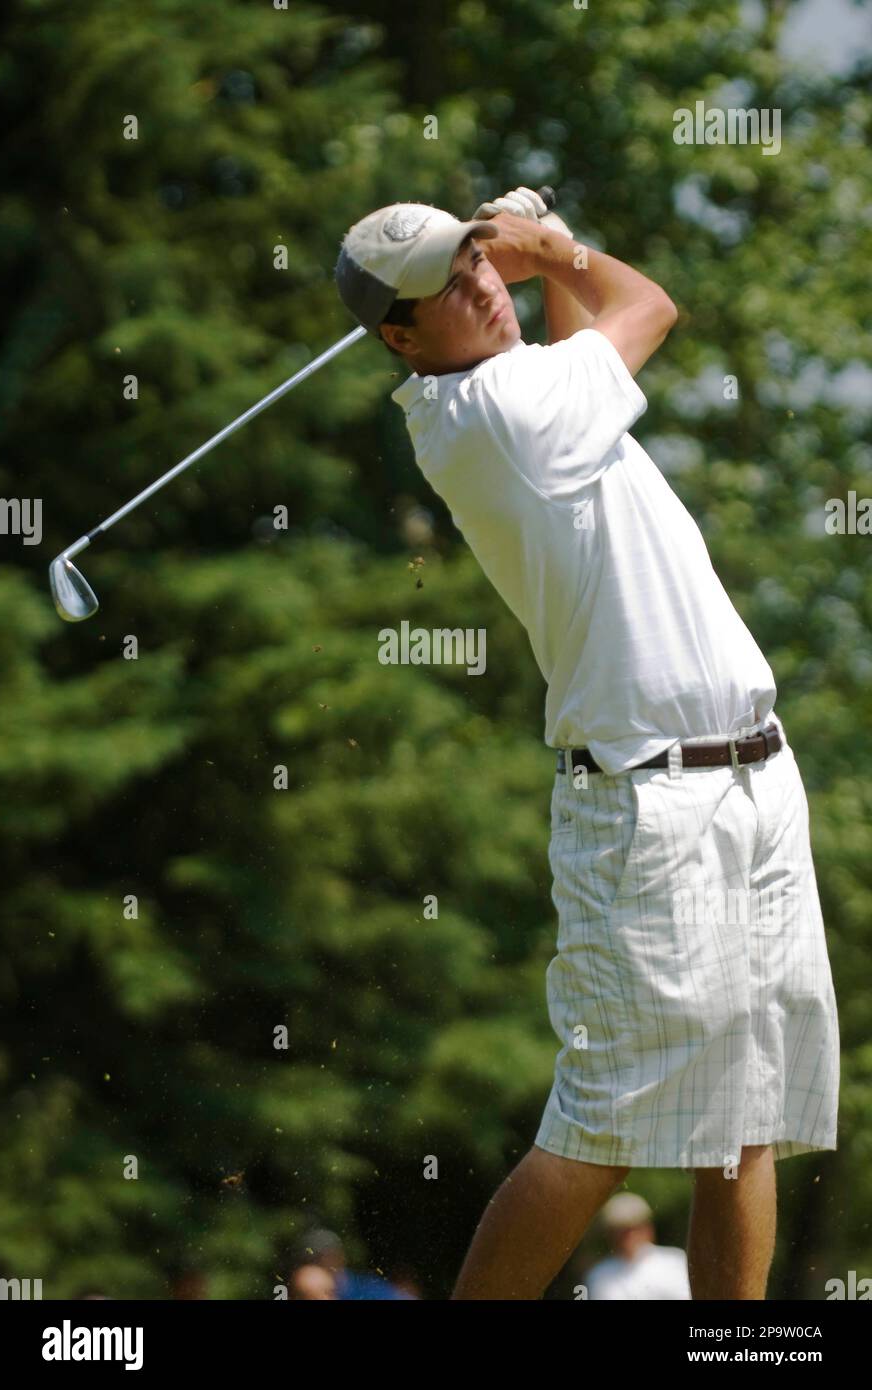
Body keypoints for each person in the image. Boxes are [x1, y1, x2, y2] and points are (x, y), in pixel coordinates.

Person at [333, 187, 840, 1301]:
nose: (480, 287)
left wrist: (535, 261)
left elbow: (583, 345)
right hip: (648, 805)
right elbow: (647, 304)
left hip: (753, 775)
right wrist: (553, 248)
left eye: (473, 260)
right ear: (400, 339)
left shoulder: (531, 391)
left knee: (743, 1120)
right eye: (446, 288)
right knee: (601, 1129)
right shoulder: (497, 413)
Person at [585, 1193, 690, 1300]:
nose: (628, 1236)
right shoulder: (599, 1274)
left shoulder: (674, 1262)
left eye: (633, 1228)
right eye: (621, 1231)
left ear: (648, 1228)